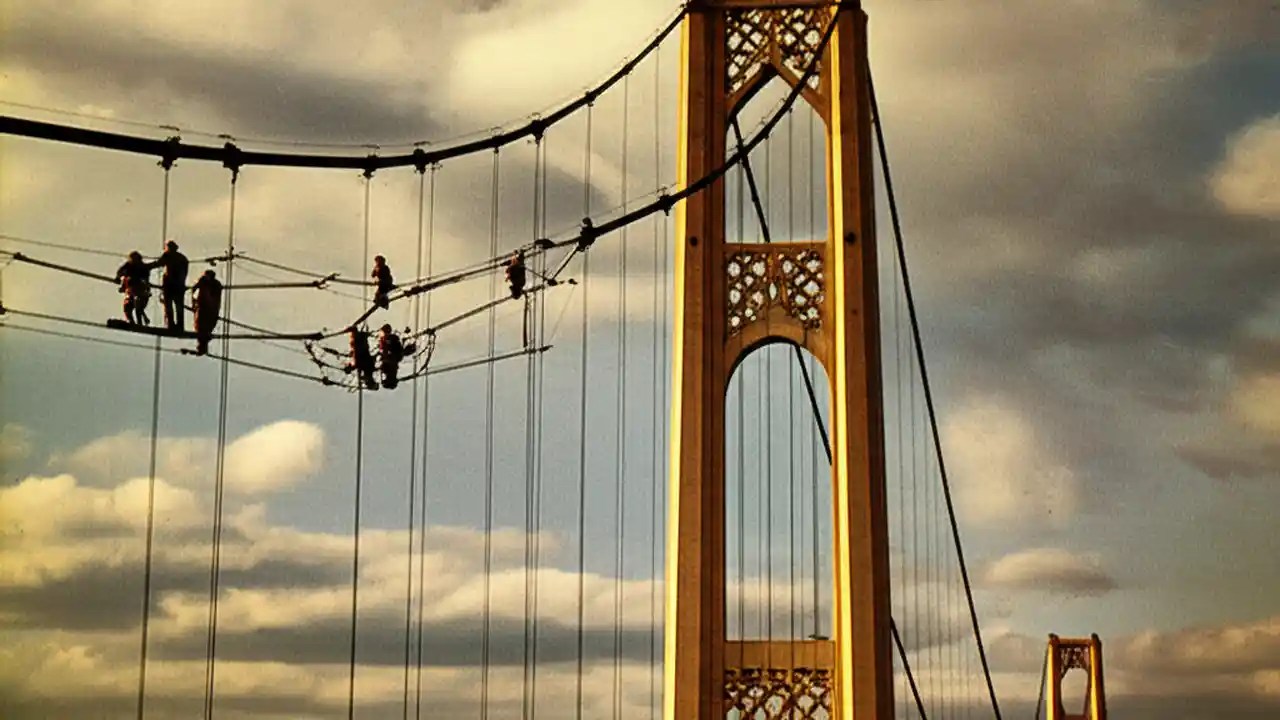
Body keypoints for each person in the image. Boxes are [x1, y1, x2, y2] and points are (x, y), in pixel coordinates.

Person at [150, 240, 189, 331]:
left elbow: (158, 263)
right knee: (179, 306)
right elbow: (185, 272)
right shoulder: (183, 258)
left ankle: (171, 325)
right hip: (180, 285)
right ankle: (180, 326)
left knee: (168, 306)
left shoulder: (167, 255)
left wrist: (144, 267)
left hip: (169, 285)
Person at [116, 250, 152, 325]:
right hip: (131, 291)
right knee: (127, 308)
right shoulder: (128, 265)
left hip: (140, 291)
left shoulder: (143, 268)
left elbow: (145, 280)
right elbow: (120, 272)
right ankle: (132, 322)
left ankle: (139, 323)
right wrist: (119, 278)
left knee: (138, 309)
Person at [191, 269, 223, 355]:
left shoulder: (205, 281)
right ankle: (202, 345)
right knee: (204, 328)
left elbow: (194, 289)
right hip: (211, 312)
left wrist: (193, 302)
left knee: (202, 328)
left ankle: (202, 345)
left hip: (205, 310)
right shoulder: (217, 284)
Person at [377, 324, 405, 390]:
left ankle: (391, 382)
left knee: (390, 370)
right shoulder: (385, 339)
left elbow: (394, 350)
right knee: (387, 369)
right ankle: (390, 381)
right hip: (390, 361)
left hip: (392, 360)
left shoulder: (392, 339)